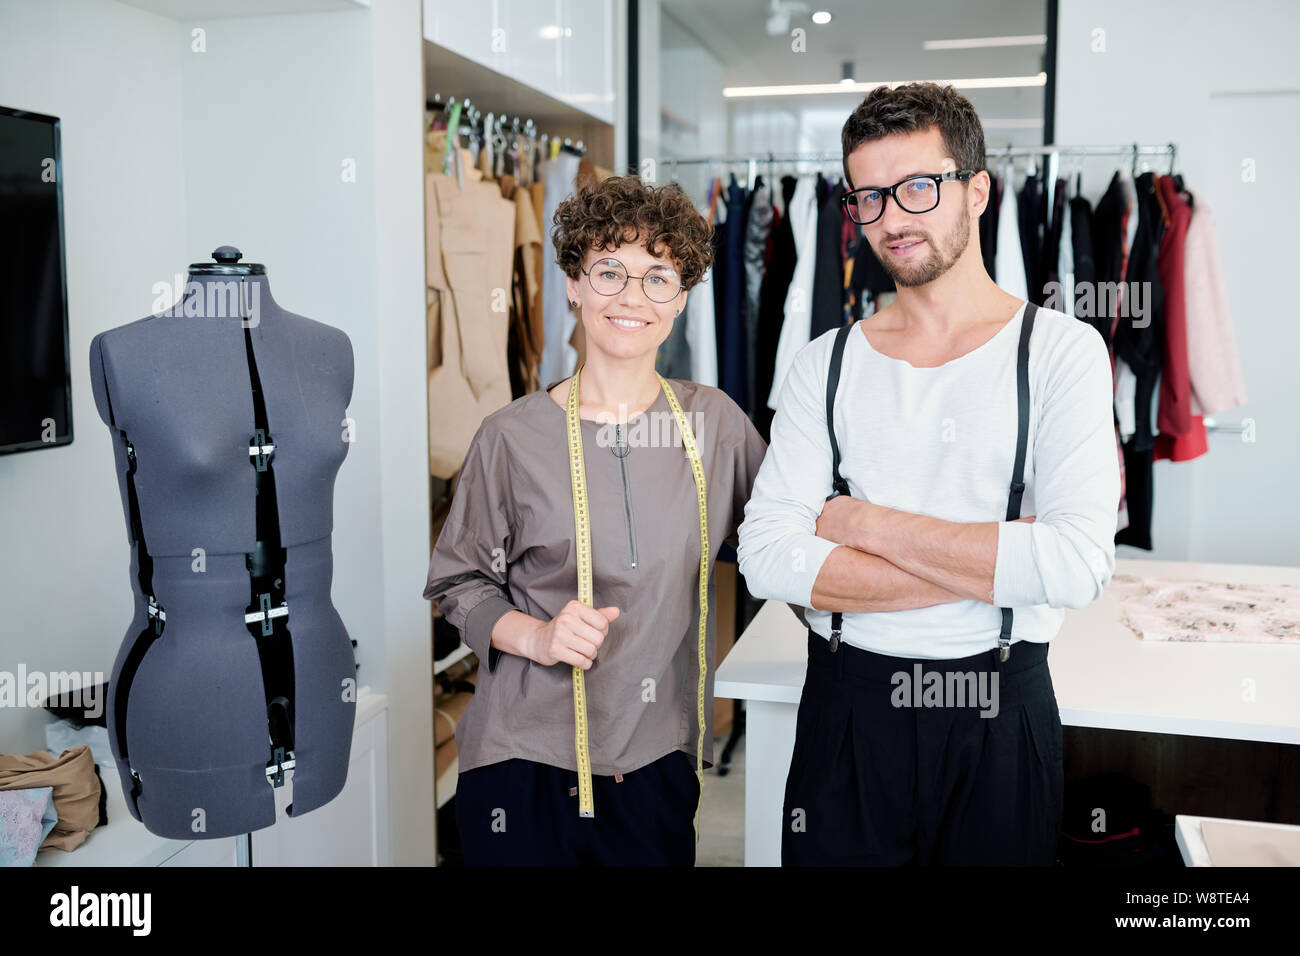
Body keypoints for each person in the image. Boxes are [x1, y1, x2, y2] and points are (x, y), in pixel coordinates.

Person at [736, 82, 1120, 866]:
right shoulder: (825, 363)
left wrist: (861, 524)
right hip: (847, 708)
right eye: (869, 197)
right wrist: (1000, 562)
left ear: (977, 189)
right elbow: (768, 556)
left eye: (918, 186)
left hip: (998, 707)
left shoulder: (1060, 351)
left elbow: (1077, 565)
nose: (892, 218)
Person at [424, 174, 768, 866]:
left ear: (681, 300)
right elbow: (456, 583)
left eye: (658, 277)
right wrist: (539, 635)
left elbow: (785, 538)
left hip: (655, 753)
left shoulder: (716, 426)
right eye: (609, 272)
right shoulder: (510, 435)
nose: (632, 298)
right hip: (523, 757)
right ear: (574, 284)